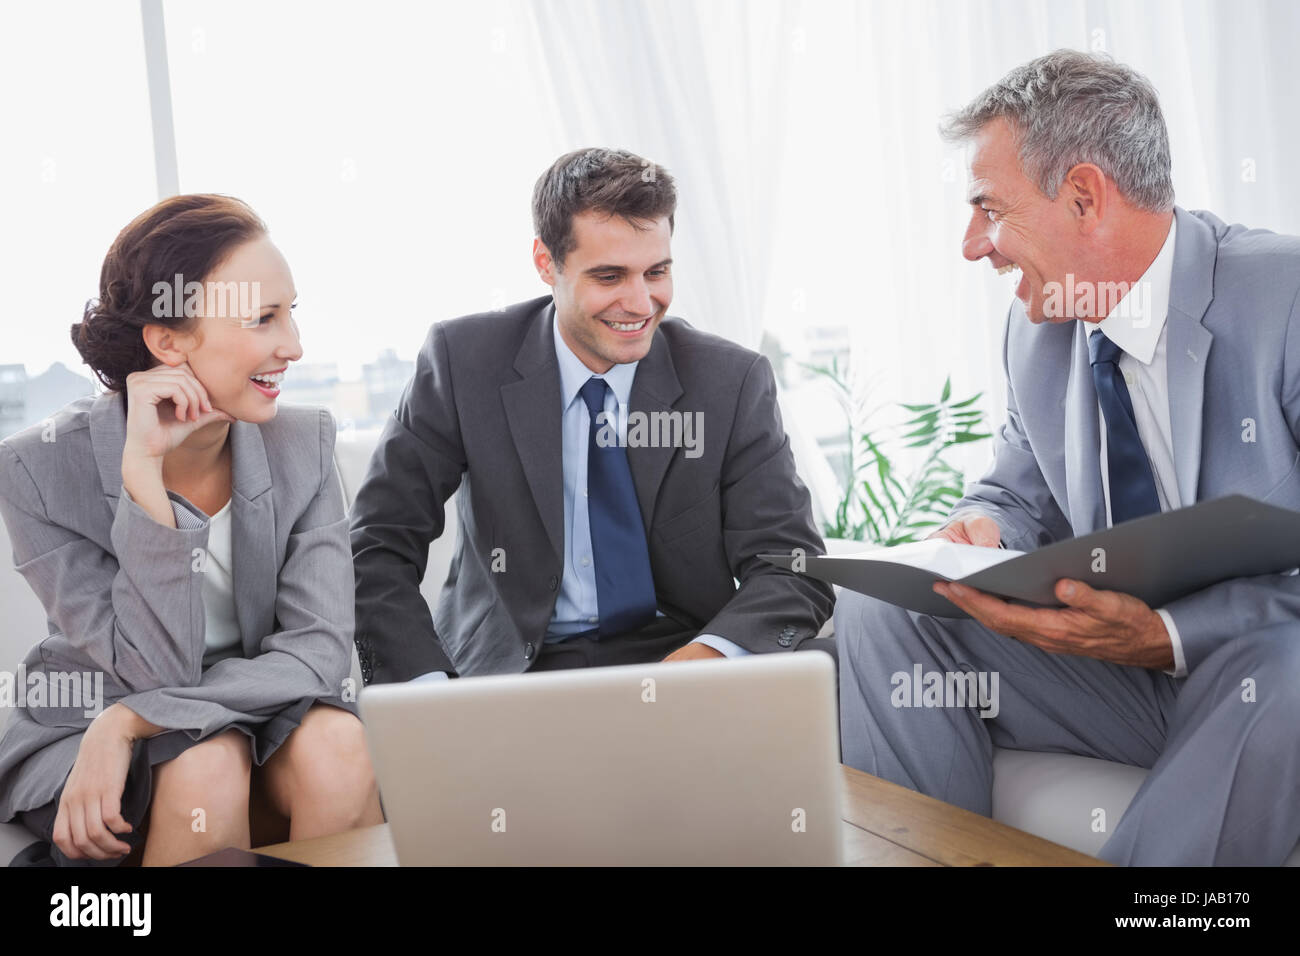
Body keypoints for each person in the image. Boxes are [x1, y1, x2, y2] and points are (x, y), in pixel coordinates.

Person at [836, 50, 1300, 865]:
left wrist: (1168, 633)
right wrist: (981, 525)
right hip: (1121, 673)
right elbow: (1020, 488)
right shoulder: (1038, 328)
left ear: (1085, 195)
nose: (974, 244)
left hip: (1259, 665)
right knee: (886, 613)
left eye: (989, 208)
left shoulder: (1284, 299)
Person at [351, 147, 834, 683]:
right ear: (545, 264)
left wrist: (707, 661)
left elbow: (792, 567)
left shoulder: (730, 382)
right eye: (609, 277)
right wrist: (426, 689)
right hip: (504, 671)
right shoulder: (463, 361)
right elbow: (377, 544)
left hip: (679, 661)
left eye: (656, 272)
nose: (640, 302)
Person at [0, 194, 383, 866]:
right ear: (167, 341)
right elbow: (150, 668)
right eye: (263, 318)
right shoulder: (36, 468)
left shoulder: (305, 443)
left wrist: (133, 723)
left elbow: (318, 655)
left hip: (243, 711)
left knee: (340, 751)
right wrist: (144, 479)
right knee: (207, 764)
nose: (292, 346)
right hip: (95, 713)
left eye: (292, 312)